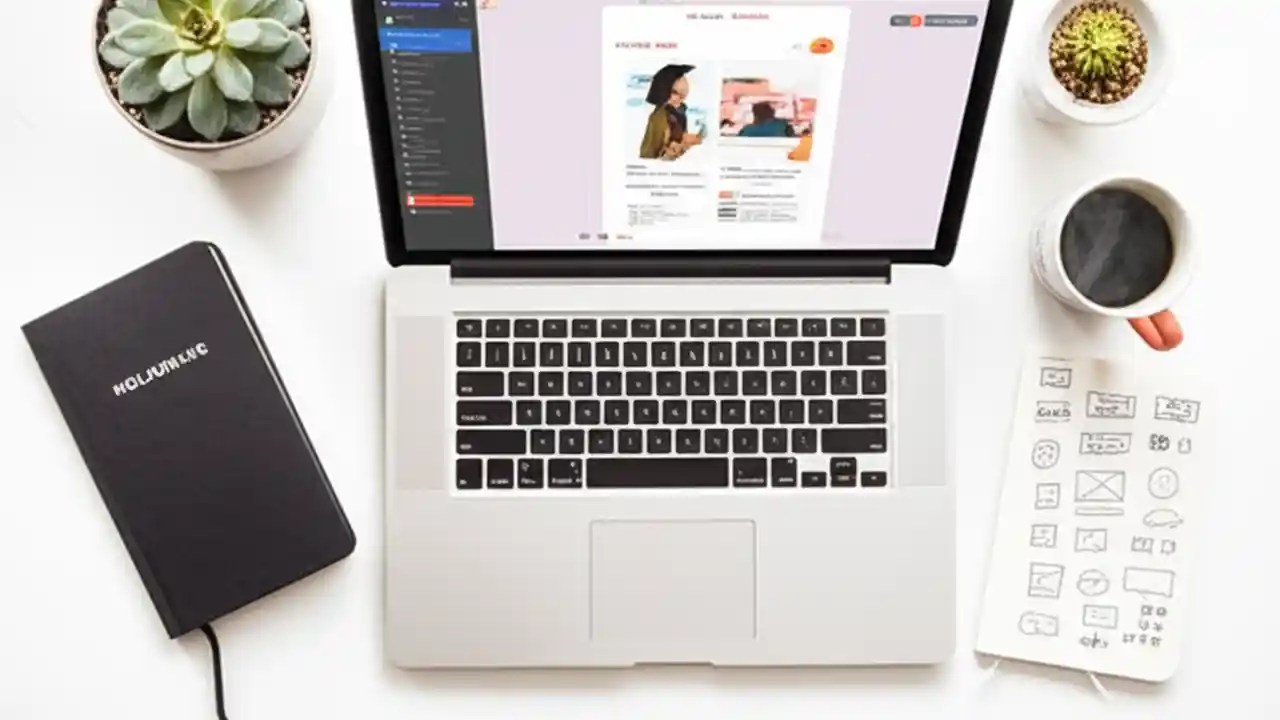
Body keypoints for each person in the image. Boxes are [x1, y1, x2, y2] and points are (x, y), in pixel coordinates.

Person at [639, 64, 701, 160]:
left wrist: (686, 141)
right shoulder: (659, 117)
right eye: (675, 93)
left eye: (682, 94)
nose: (681, 98)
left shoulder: (680, 111)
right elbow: (652, 151)